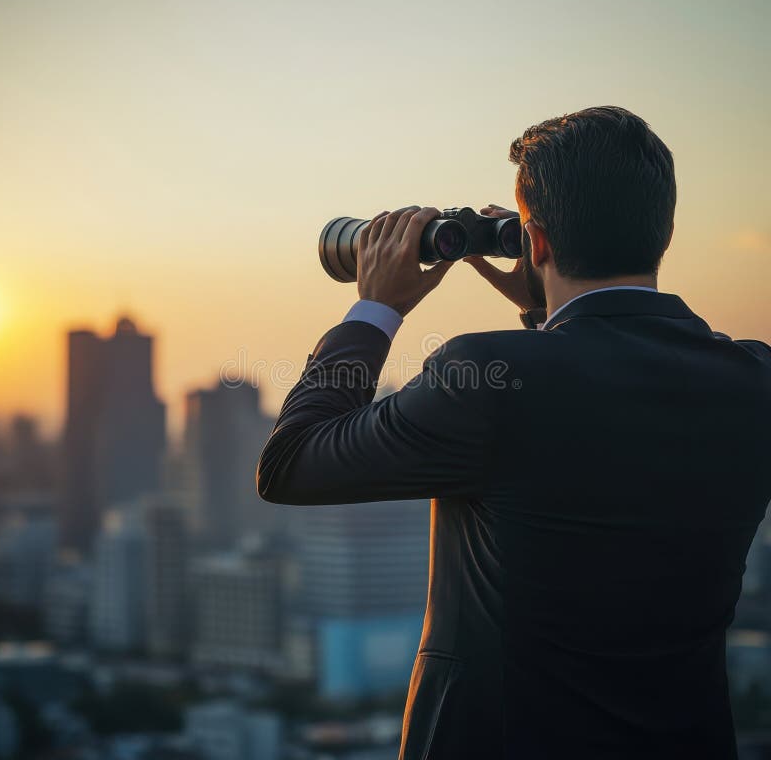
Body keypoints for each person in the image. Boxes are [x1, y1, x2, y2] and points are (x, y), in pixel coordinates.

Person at [256, 106, 771, 759]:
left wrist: (375, 307)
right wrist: (544, 311)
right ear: (663, 230)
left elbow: (291, 464)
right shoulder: (754, 380)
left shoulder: (485, 378)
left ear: (537, 243)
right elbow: (604, 411)